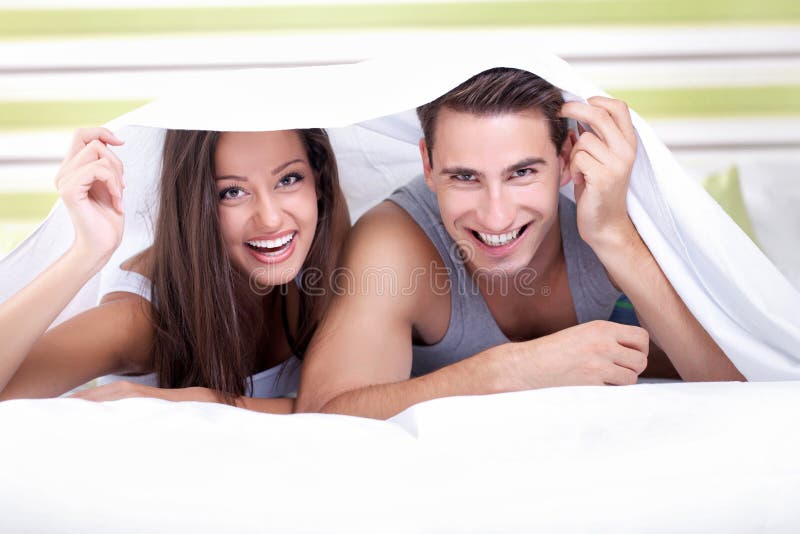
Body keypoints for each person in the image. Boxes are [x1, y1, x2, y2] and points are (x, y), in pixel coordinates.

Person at [296, 67, 744, 419]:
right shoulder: (397, 243)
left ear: (566, 158)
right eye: (465, 177)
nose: (497, 216)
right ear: (428, 166)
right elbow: (325, 412)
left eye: (522, 173)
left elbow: (741, 391)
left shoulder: (613, 216)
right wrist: (515, 369)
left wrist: (612, 234)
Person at [0, 126, 349, 413]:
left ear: (318, 180)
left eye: (288, 179)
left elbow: (345, 403)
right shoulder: (144, 319)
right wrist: (87, 252)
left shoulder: (325, 246)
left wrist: (186, 401)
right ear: (195, 205)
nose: (271, 218)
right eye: (232, 192)